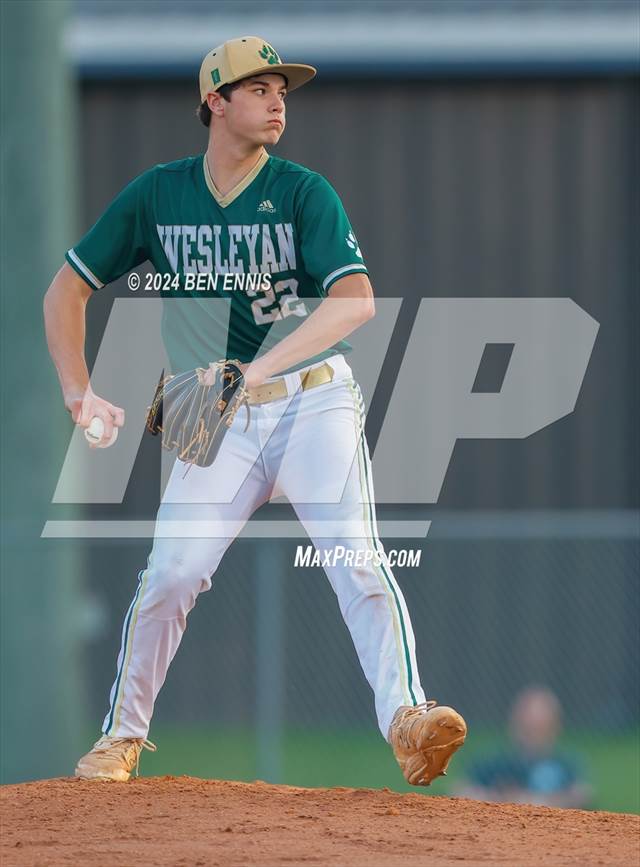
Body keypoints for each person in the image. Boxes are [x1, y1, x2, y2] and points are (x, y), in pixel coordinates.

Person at [43, 36, 466, 785]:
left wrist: (256, 367)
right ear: (215, 101)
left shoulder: (303, 192)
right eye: (259, 88)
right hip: (219, 421)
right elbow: (67, 289)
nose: (278, 102)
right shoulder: (158, 195)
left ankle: (407, 718)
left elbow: (356, 301)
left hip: (313, 405)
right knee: (171, 573)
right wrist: (79, 389)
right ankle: (120, 738)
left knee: (357, 559)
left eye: (282, 90)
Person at [455, 686, 591, 808]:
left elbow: (582, 795)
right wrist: (499, 800)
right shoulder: (496, 762)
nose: (532, 735)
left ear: (555, 728)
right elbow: (461, 790)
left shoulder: (563, 764)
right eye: (527, 727)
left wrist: (533, 801)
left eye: (540, 728)